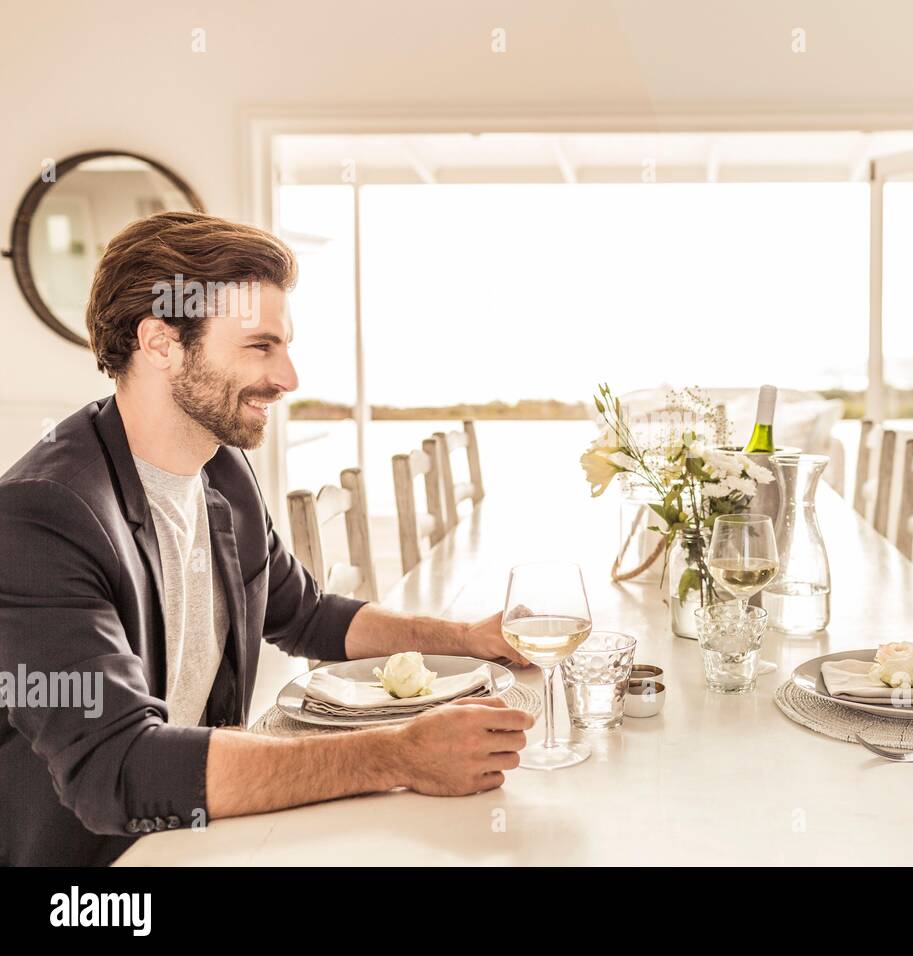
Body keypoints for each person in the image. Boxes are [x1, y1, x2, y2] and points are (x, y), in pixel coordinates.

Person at [0, 211, 534, 867]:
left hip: (204, 831)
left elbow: (304, 614)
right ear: (161, 342)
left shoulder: (220, 467)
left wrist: (466, 639)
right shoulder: (43, 515)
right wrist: (398, 755)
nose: (288, 378)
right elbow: (118, 767)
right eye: (260, 346)